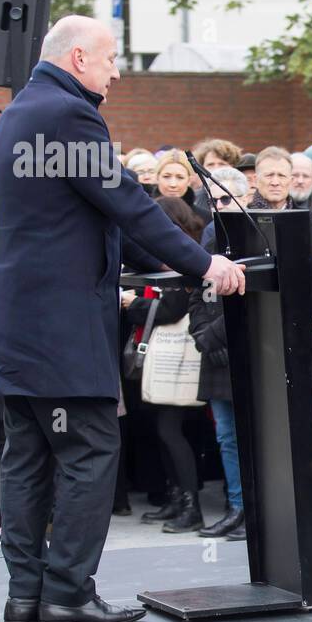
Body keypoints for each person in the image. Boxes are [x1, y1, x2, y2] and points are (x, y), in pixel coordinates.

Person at [0, 16, 245, 622]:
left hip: (20, 322)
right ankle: (68, 593)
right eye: (110, 60)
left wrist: (164, 262)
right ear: (78, 57)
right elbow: (127, 201)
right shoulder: (68, 114)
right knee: (90, 451)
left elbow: (82, 221)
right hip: (60, 329)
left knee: (26, 458)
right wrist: (205, 261)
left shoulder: (21, 110)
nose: (117, 72)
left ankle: (26, 598)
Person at [123, 198, 211, 533]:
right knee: (164, 431)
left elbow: (173, 307)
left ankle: (191, 507)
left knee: (170, 431)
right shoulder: (176, 249)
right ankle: (178, 498)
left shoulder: (179, 252)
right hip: (167, 353)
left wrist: (134, 303)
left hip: (176, 353)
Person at [187, 168, 250, 541]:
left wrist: (214, 337)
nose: (217, 207)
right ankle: (237, 507)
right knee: (226, 436)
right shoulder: (205, 239)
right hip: (214, 354)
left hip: (249, 350)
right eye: (211, 200)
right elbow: (196, 293)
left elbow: (249, 297)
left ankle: (259, 510)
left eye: (224, 199)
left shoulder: (255, 234)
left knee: (255, 436)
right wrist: (204, 337)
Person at [153, 149, 212, 222]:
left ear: (189, 180)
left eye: (180, 177)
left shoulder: (205, 218)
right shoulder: (145, 214)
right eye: (166, 176)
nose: (173, 184)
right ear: (157, 178)